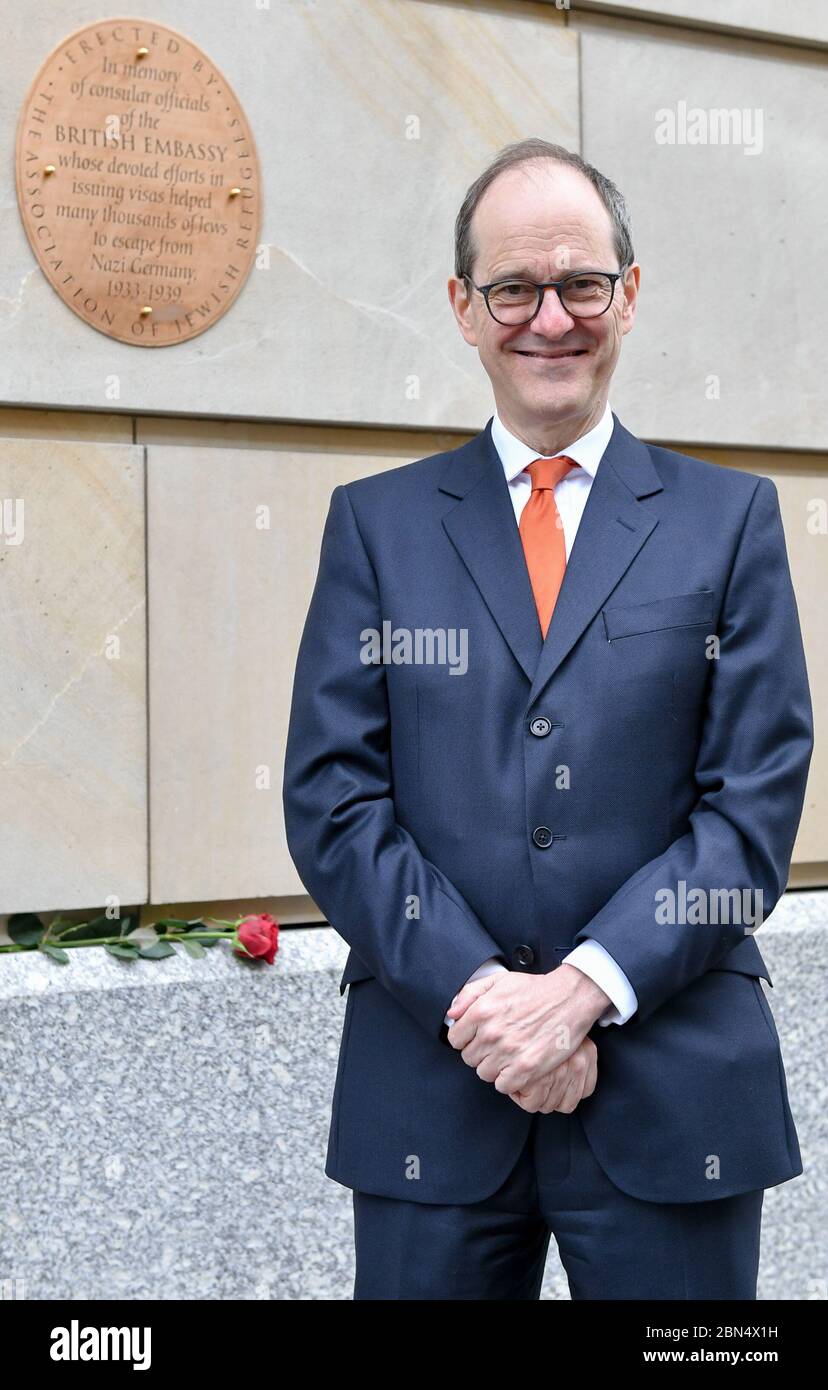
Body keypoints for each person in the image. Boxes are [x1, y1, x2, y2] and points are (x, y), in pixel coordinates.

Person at [282, 138, 813, 1300]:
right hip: (434, 1087)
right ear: (466, 309)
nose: (550, 319)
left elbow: (753, 810)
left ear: (629, 294)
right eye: (515, 288)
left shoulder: (730, 524)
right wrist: (486, 1003)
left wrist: (580, 991)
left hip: (675, 1095)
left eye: (581, 284)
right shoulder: (375, 529)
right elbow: (334, 799)